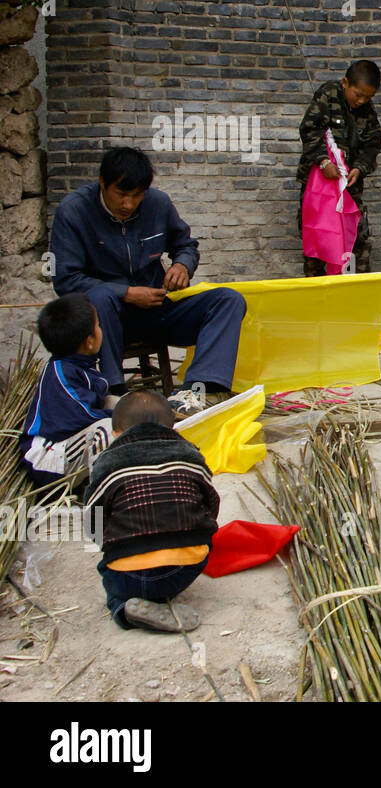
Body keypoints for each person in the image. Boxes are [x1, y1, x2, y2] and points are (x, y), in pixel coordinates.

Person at [50, 147, 246, 418]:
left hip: (156, 311)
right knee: (99, 298)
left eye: (136, 196)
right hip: (105, 323)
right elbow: (65, 280)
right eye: (120, 194)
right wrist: (126, 293)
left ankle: (198, 393)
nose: (128, 204)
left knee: (228, 300)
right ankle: (115, 394)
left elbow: (186, 245)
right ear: (102, 182)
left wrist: (182, 265)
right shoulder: (73, 212)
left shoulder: (158, 204)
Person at [85, 390, 220, 633]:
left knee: (108, 573)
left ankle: (123, 609)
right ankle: (163, 594)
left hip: (129, 574)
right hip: (186, 568)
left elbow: (92, 521)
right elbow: (212, 505)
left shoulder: (106, 462)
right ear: (173, 427)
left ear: (116, 434)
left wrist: (110, 544)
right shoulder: (191, 454)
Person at [18, 294, 114, 488]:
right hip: (48, 459)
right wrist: (124, 418)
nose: (101, 330)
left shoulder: (77, 363)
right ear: (89, 341)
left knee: (116, 402)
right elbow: (83, 417)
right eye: (98, 326)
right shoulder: (60, 374)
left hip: (67, 446)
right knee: (107, 429)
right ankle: (100, 493)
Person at [298, 60, 381, 275]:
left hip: (349, 188)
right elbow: (309, 130)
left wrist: (360, 168)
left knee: (355, 238)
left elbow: (372, 144)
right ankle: (316, 295)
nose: (362, 101)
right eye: (358, 94)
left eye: (368, 97)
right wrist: (323, 161)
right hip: (320, 185)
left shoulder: (366, 110)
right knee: (318, 240)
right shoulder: (328, 95)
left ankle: (353, 293)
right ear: (345, 83)